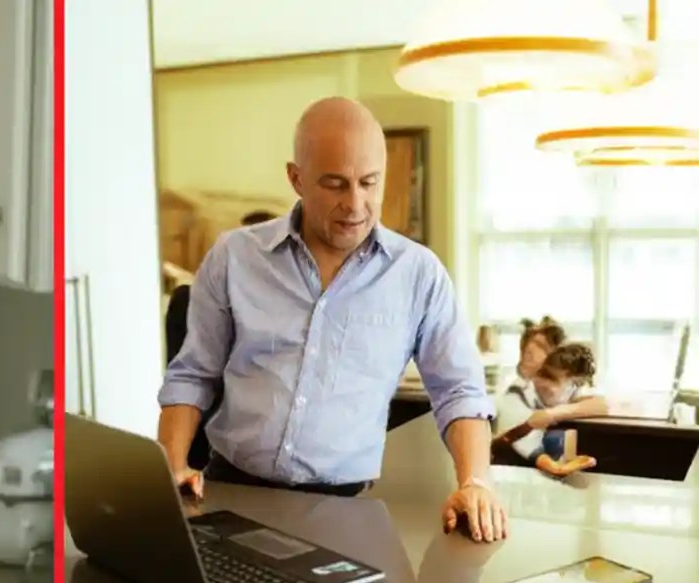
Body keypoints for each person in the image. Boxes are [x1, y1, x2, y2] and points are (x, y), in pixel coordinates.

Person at [158, 97, 507, 543]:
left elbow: (459, 390)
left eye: (369, 183)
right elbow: (193, 373)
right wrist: (172, 463)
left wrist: (475, 482)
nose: (355, 203)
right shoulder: (233, 257)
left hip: (346, 510)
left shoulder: (419, 275)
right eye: (335, 184)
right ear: (296, 178)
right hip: (231, 493)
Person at [494, 343, 607, 477]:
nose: (542, 383)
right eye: (542, 374)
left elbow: (605, 405)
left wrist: (552, 414)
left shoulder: (570, 397)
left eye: (552, 379)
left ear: (574, 386)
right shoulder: (517, 394)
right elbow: (527, 445)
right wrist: (557, 468)